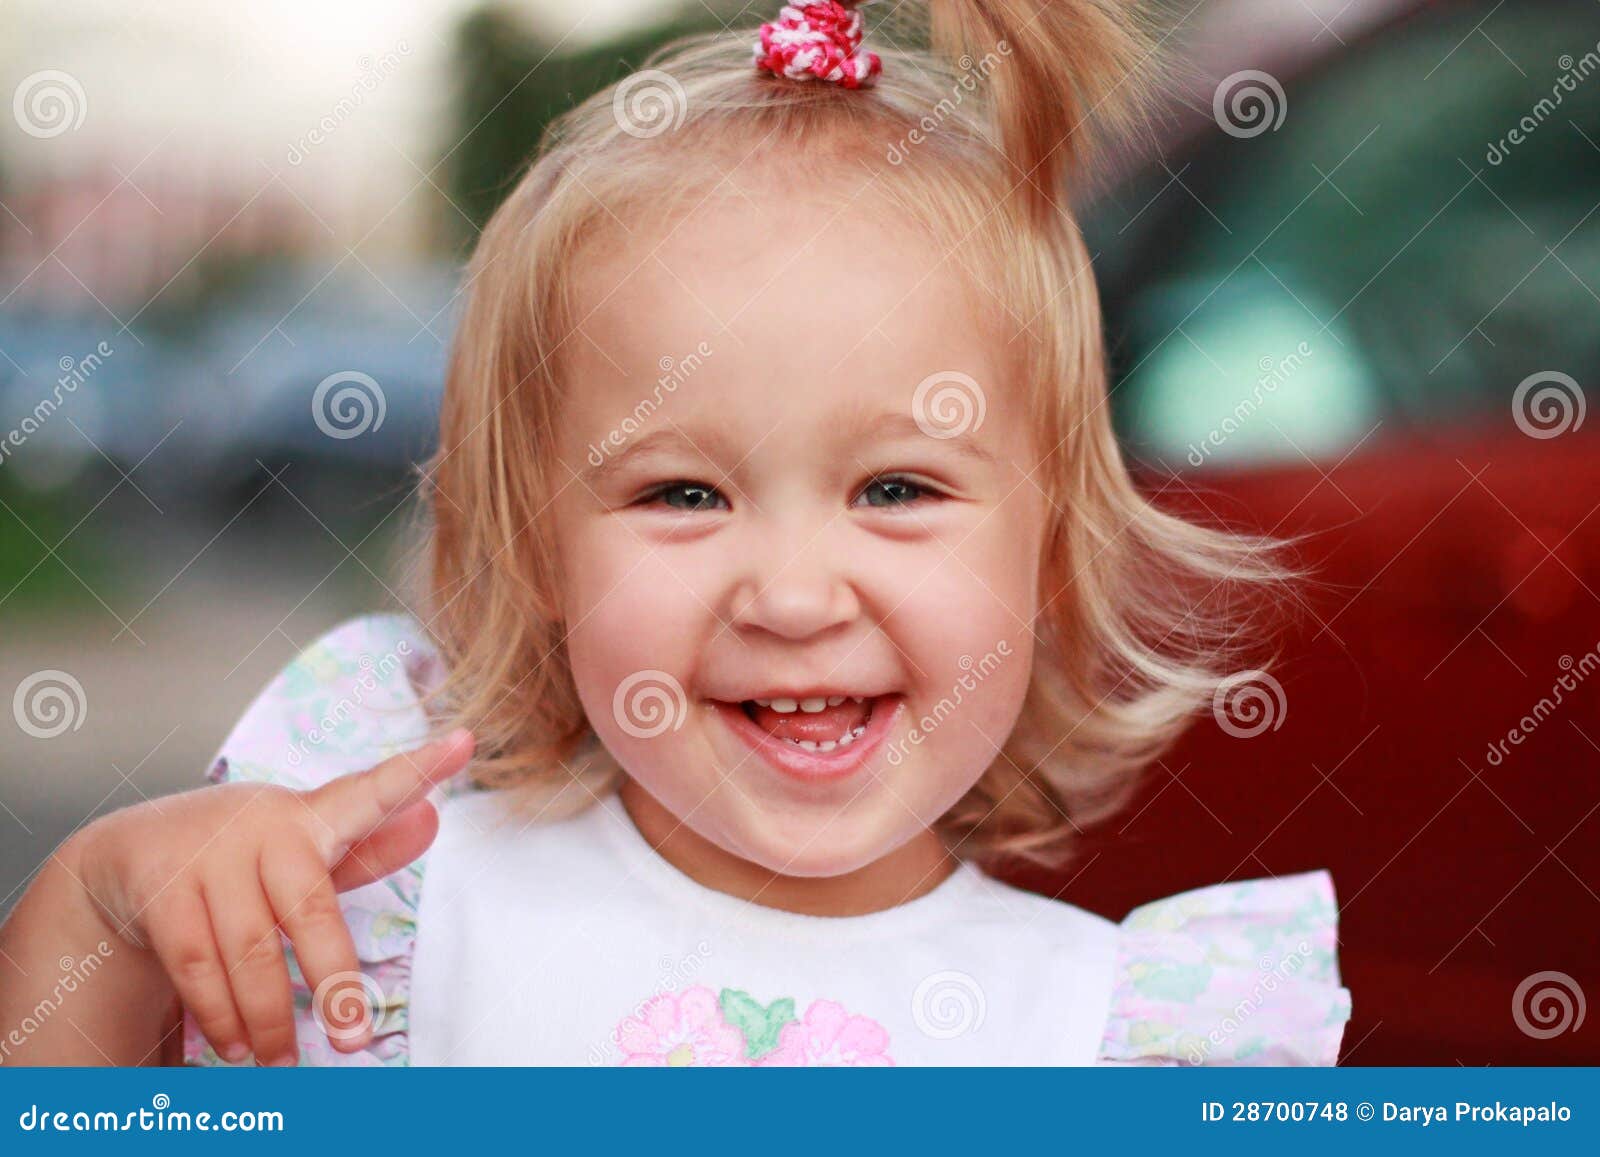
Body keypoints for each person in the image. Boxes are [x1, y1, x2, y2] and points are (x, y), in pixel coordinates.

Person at [0, 0, 1351, 1067]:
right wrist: (95, 911)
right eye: (682, 496)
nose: (793, 591)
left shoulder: (1111, 1039)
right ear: (534, 550)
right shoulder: (390, 927)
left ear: (1050, 556)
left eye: (897, 488)